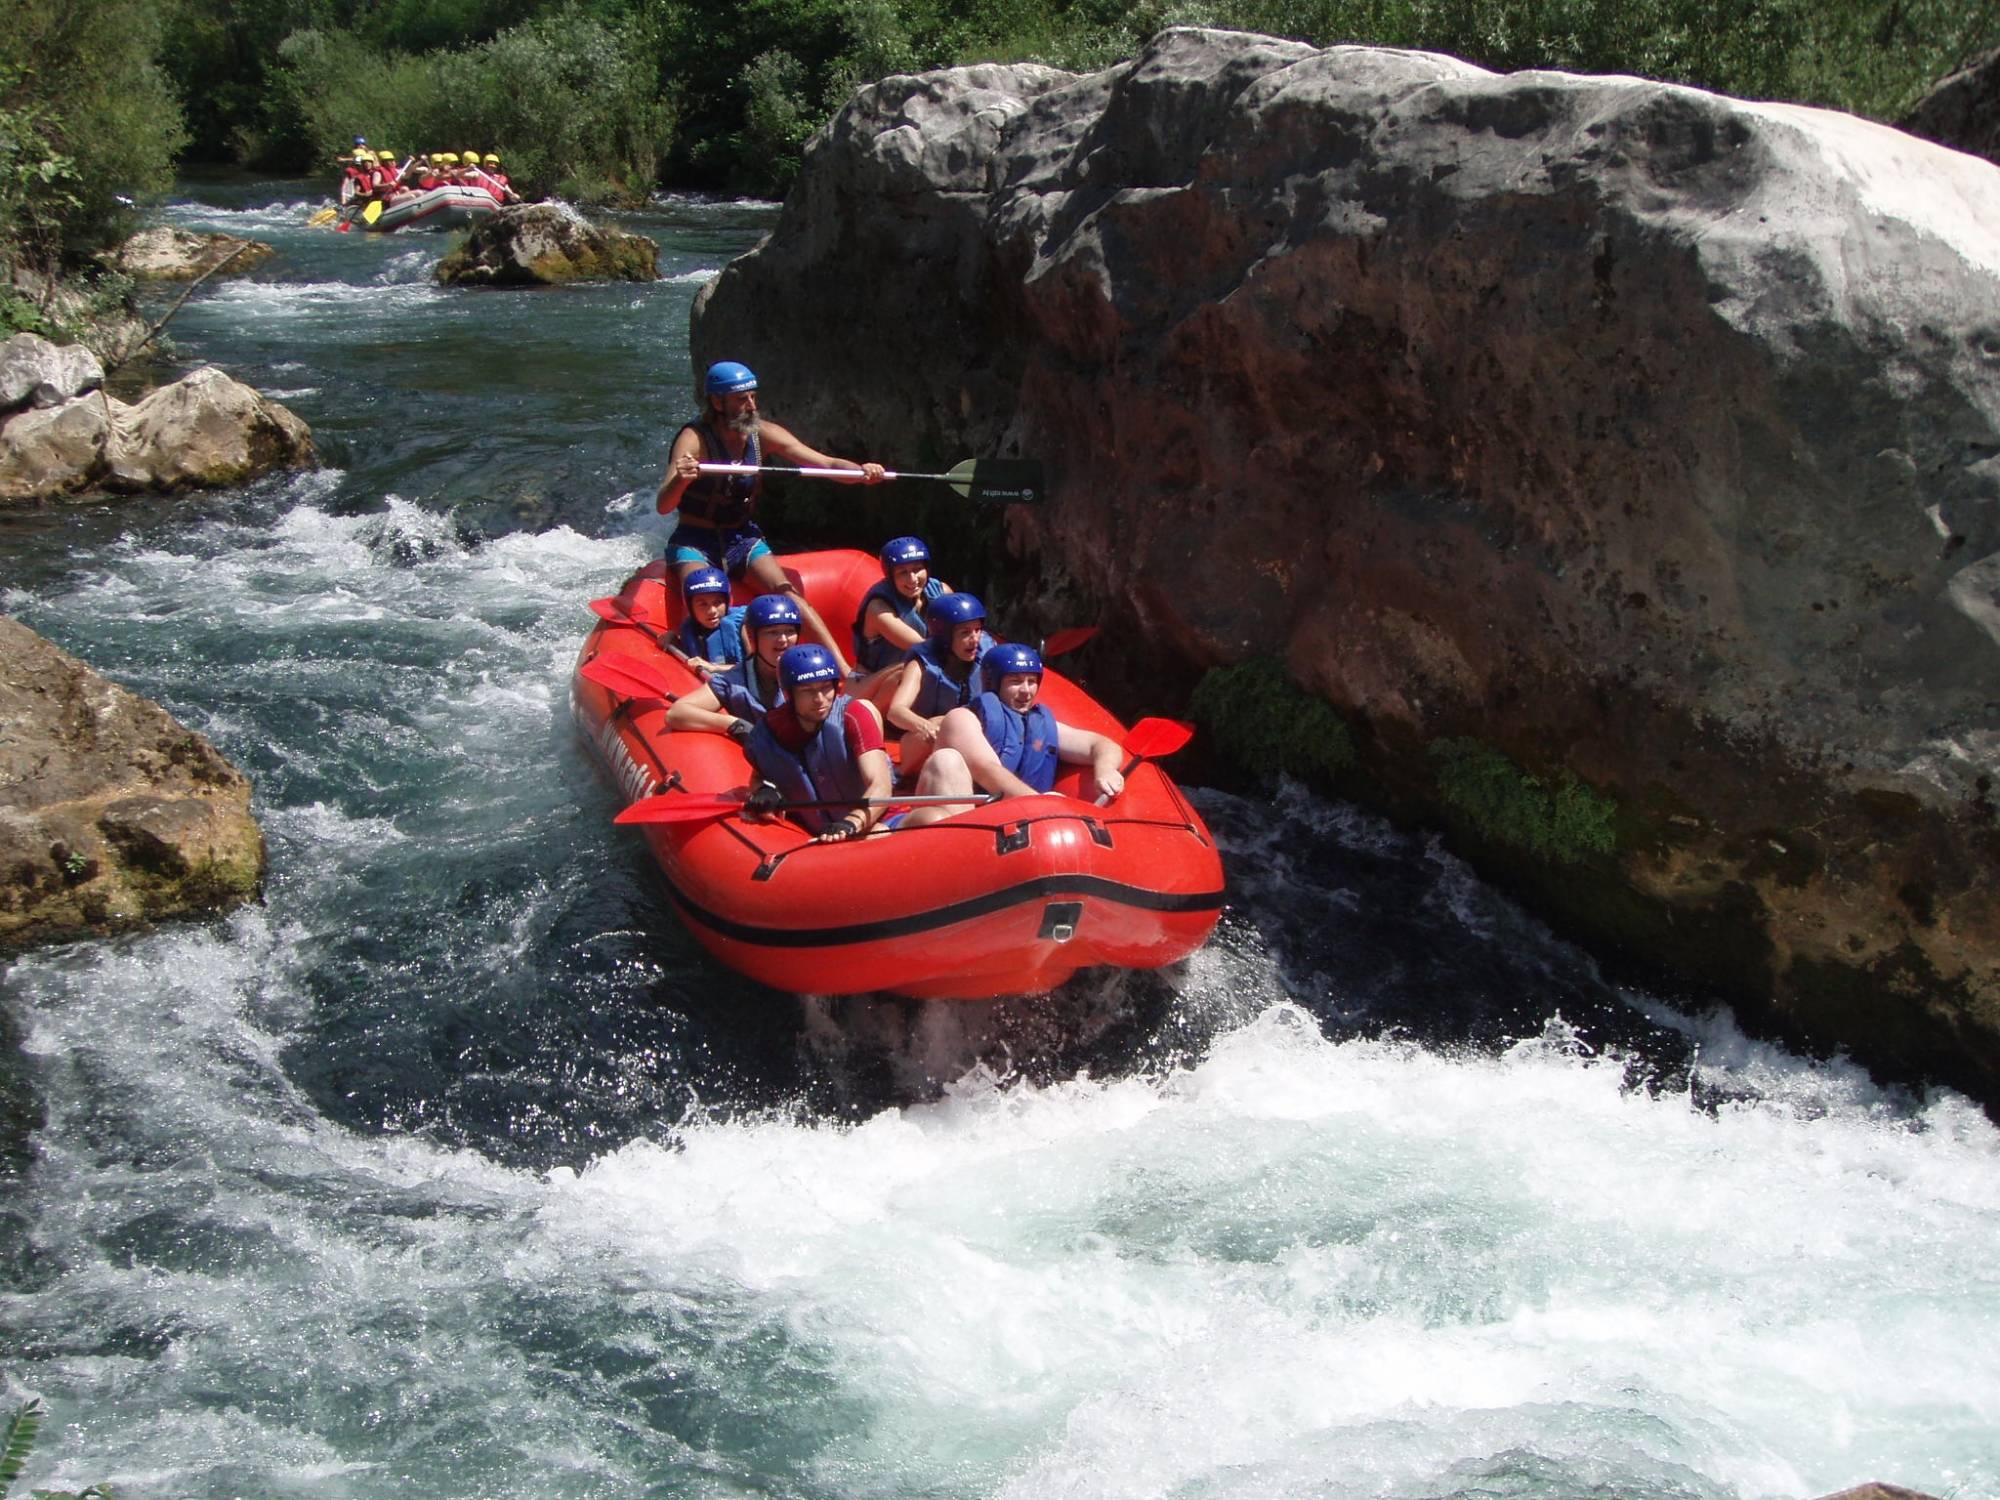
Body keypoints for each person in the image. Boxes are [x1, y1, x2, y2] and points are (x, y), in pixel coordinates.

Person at [655, 360, 882, 673]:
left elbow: (825, 464)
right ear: (717, 403)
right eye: (741, 399)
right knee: (700, 599)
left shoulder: (763, 434)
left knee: (789, 594)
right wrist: (680, 478)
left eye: (752, 397)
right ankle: (714, 672)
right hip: (696, 539)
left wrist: (860, 472)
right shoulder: (694, 439)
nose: (751, 406)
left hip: (742, 536)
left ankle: (845, 670)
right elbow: (664, 505)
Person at [744, 645, 976, 841]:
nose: (819, 699)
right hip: (821, 840)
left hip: (875, 820)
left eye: (826, 688)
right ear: (788, 693)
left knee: (935, 806)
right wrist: (763, 790)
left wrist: (852, 822)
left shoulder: (853, 715)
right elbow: (759, 774)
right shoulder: (771, 731)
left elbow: (880, 785)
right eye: (807, 691)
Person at [936, 642, 1125, 802]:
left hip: (1018, 822)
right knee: (946, 760)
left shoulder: (1039, 725)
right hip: (962, 821)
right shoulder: (962, 719)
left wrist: (1105, 770)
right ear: (993, 683)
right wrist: (1042, 806)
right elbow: (987, 771)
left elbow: (1101, 745)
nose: (1026, 690)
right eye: (1015, 681)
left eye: (1032, 681)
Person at [885, 592, 994, 779]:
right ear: (945, 637)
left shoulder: (987, 653)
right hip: (929, 739)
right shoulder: (921, 663)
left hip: (972, 733)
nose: (975, 639)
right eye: (965, 632)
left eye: (977, 630)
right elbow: (895, 711)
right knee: (941, 723)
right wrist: (927, 726)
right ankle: (901, 776)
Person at [665, 592, 801, 738]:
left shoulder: (812, 670)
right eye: (772, 632)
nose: (783, 640)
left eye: (789, 631)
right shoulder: (733, 682)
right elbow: (676, 714)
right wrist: (734, 724)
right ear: (751, 636)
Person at [849, 535, 951, 709]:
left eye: (918, 569)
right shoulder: (879, 608)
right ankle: (877, 723)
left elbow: (964, 626)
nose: (912, 579)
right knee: (906, 672)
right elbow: (921, 647)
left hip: (918, 675)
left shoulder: (941, 590)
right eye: (903, 572)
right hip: (868, 682)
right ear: (891, 576)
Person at [674, 566, 747, 675]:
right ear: (690, 607)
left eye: (717, 602)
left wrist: (713, 667)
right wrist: (674, 641)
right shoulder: (689, 628)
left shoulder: (744, 624)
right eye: (703, 604)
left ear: (727, 602)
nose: (712, 610)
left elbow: (757, 670)